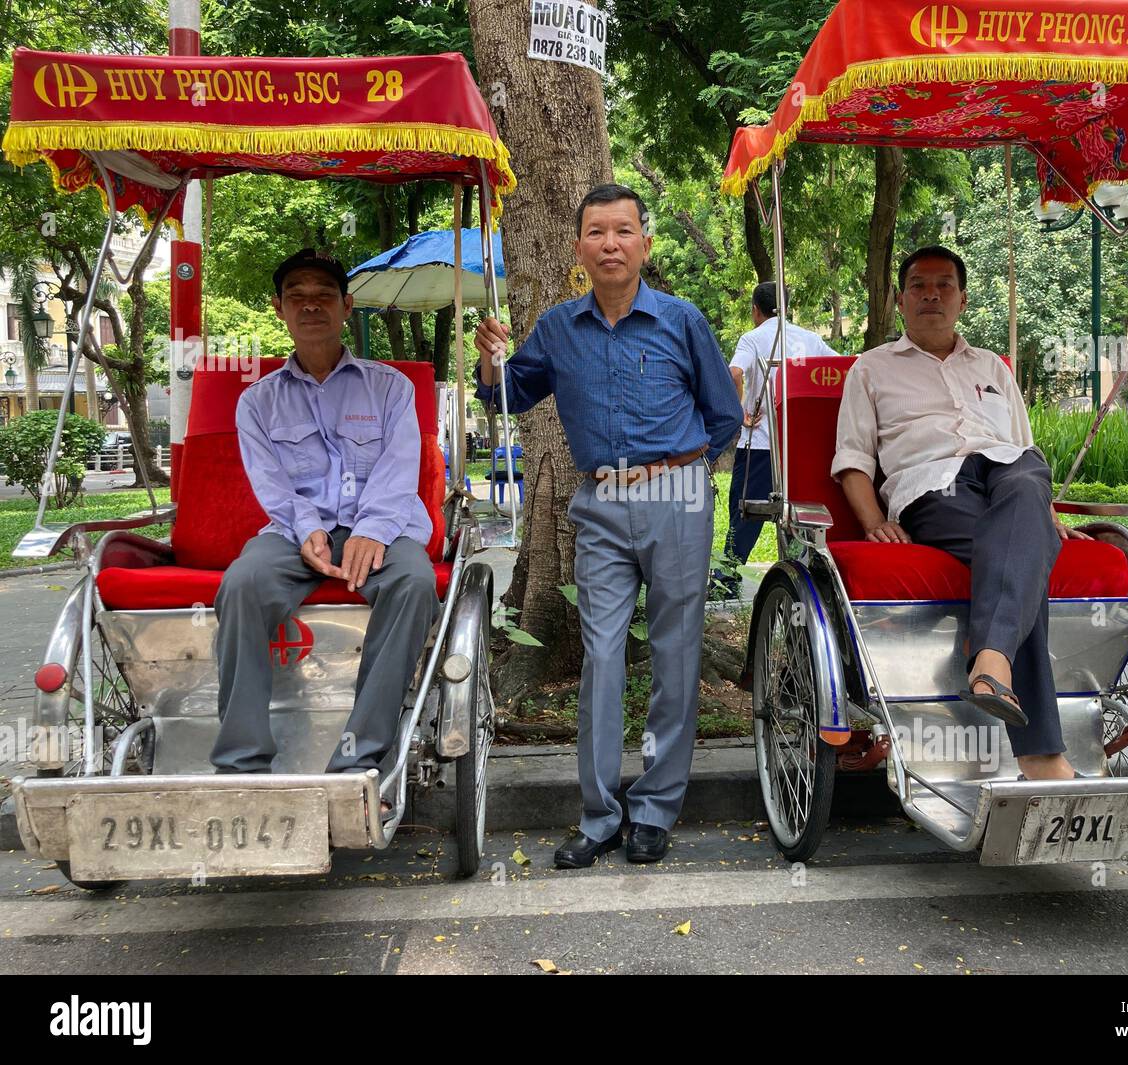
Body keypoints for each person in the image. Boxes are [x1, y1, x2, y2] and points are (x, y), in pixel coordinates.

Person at [475, 184, 742, 867]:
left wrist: (689, 474)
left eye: (624, 231)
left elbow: (724, 415)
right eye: (597, 232)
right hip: (597, 500)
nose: (611, 244)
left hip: (678, 494)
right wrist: (491, 358)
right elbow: (509, 394)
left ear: (644, 244)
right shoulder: (560, 328)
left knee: (677, 653)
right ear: (579, 249)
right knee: (600, 655)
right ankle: (598, 815)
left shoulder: (682, 320)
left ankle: (654, 808)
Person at [832, 246, 1090, 782]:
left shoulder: (992, 366)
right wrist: (872, 519)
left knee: (1026, 473)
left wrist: (1042, 514)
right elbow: (853, 461)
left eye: (944, 285)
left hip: (1007, 480)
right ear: (899, 298)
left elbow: (1023, 451)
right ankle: (1040, 754)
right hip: (933, 489)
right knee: (1020, 558)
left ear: (963, 299)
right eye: (919, 285)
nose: (932, 294)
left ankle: (991, 661)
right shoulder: (871, 369)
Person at [211, 248, 438, 805]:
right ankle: (241, 764)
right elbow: (271, 483)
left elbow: (399, 467)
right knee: (241, 583)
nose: (310, 306)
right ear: (279, 309)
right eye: (297, 297)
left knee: (413, 583)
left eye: (323, 296)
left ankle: (360, 761)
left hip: (383, 527)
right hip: (294, 533)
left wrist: (374, 530)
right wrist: (306, 527)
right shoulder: (257, 401)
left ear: (345, 307)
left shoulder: (389, 387)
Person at [714, 281, 838, 598]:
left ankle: (726, 578)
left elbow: (734, 374)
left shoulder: (753, 339)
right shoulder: (810, 339)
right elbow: (841, 369)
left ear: (756, 310)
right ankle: (808, 579)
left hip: (759, 445)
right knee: (800, 513)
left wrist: (740, 410)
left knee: (744, 511)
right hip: (798, 448)